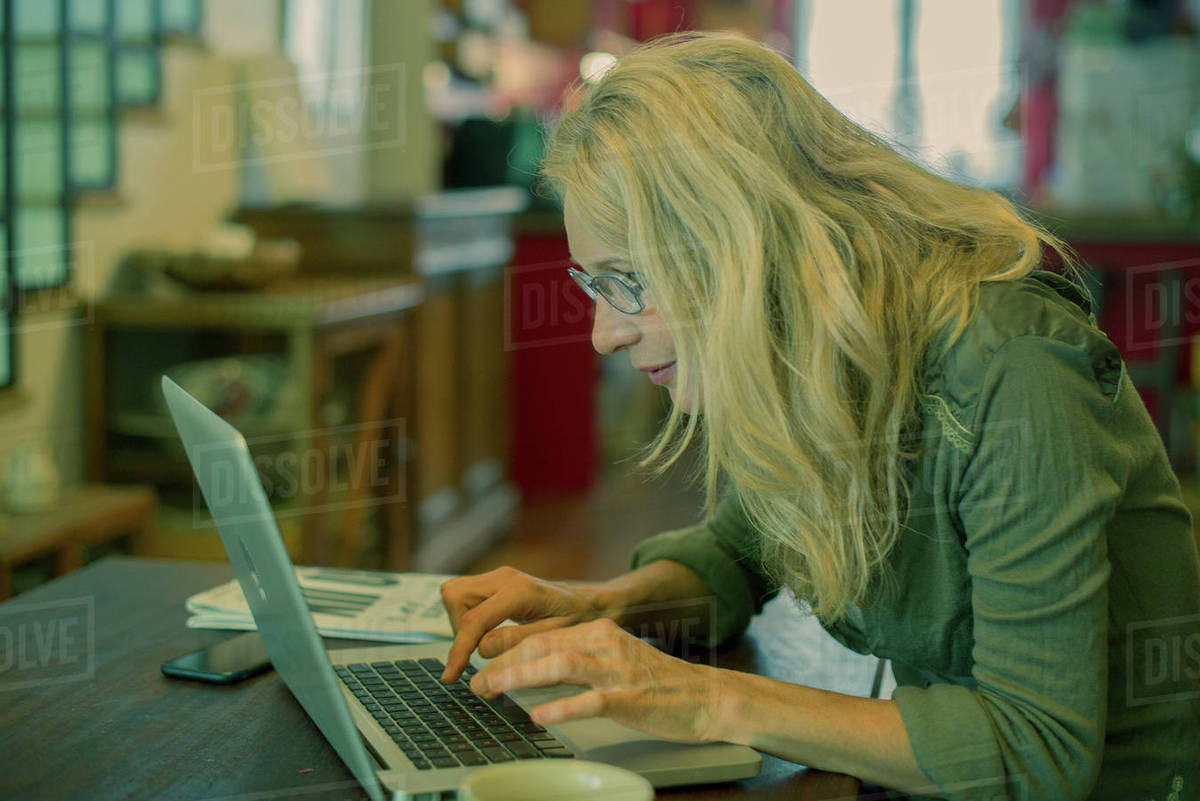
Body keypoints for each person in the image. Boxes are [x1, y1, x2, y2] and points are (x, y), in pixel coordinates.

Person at [438, 31, 1200, 801]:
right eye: (592, 286)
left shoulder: (1013, 366)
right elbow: (742, 549)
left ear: (740, 246)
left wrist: (705, 699)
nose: (606, 332)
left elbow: (1037, 752)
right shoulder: (822, 354)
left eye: (628, 281)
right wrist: (600, 606)